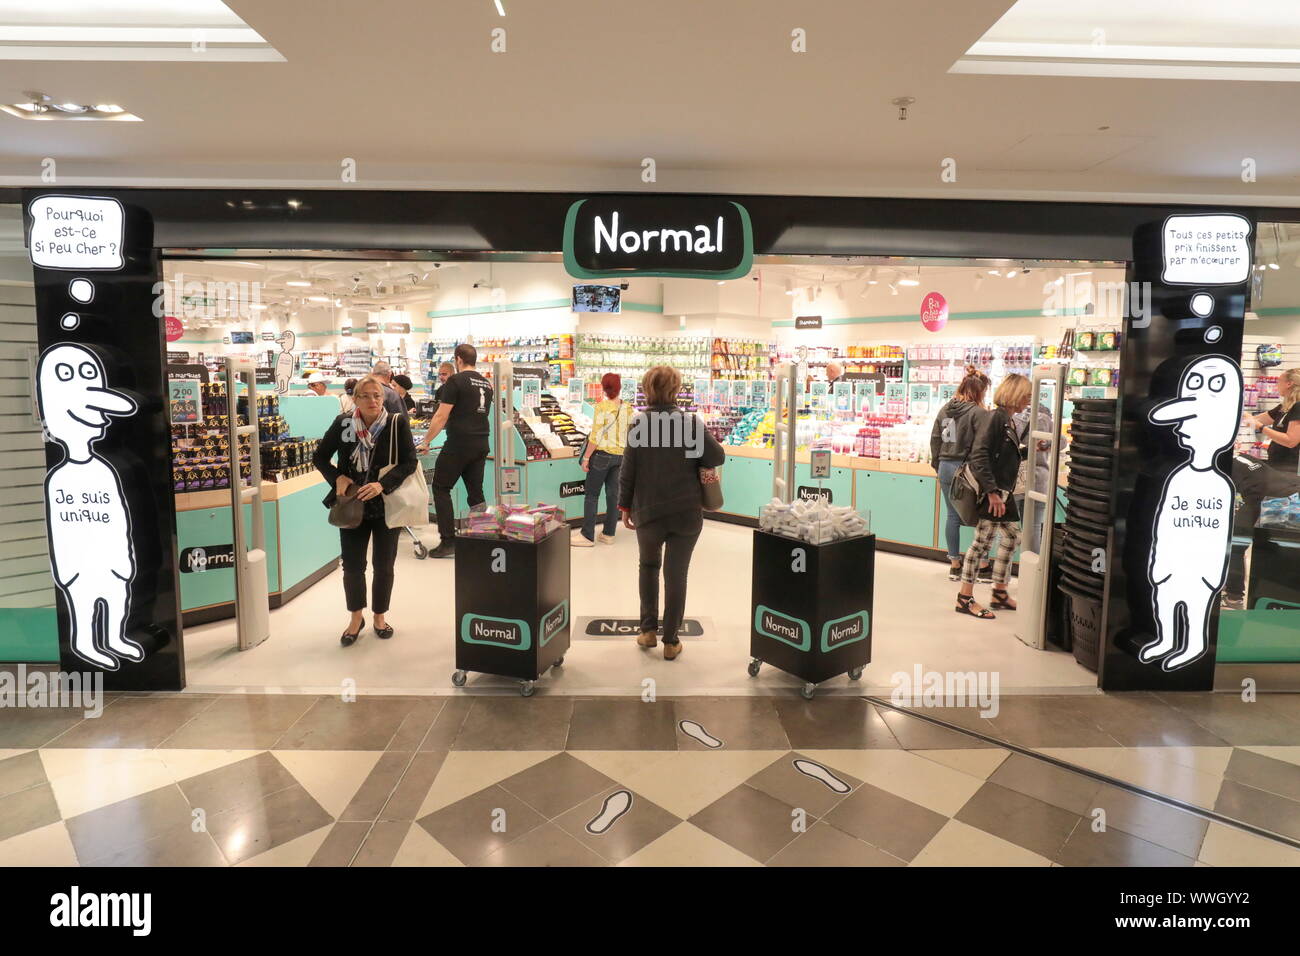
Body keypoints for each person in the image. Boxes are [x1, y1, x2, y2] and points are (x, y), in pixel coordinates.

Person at [618, 365, 726, 660]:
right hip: (685, 511)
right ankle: (671, 641)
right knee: (676, 575)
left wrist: (624, 507)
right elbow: (717, 456)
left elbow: (628, 471)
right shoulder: (689, 423)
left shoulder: (639, 424)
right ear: (676, 390)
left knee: (648, 567)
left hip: (648, 511)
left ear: (646, 389)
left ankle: (647, 631)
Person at [313, 375, 418, 646]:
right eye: (366, 396)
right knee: (353, 566)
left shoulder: (396, 423)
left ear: (384, 398)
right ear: (355, 399)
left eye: (377, 396)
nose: (372, 400)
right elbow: (320, 456)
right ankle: (355, 617)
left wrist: (382, 485)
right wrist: (336, 477)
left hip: (386, 505)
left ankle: (379, 617)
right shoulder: (344, 423)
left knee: (384, 566)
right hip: (352, 504)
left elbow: (409, 462)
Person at [955, 373, 1031, 620]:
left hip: (1003, 493)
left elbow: (1005, 455)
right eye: (1027, 396)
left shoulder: (1007, 420)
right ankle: (964, 599)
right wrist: (991, 493)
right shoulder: (996, 418)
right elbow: (980, 456)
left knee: (1012, 536)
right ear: (1015, 395)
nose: (1029, 400)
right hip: (993, 494)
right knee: (982, 544)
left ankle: (999, 590)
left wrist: (1032, 449)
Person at [421, 344, 492, 558]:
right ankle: (482, 537)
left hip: (459, 443)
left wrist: (426, 440)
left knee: (442, 489)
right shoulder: (487, 383)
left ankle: (448, 541)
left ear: (458, 359)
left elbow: (441, 416)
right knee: (476, 493)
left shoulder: (456, 381)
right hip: (481, 443)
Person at [930, 366, 991, 580]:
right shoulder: (979, 413)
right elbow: (983, 446)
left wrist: (937, 463)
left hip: (946, 467)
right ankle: (982, 564)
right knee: (982, 516)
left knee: (952, 515)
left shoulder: (945, 408)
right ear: (980, 391)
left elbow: (935, 438)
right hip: (969, 470)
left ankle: (954, 563)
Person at [1223, 450, 1300, 609]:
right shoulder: (1241, 456)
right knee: (1269, 548)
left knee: (1233, 545)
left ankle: (1234, 597)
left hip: (1267, 499)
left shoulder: (1218, 467)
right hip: (1292, 489)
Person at [574, 372, 632, 547]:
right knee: (613, 496)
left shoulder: (602, 407)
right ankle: (608, 534)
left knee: (591, 495)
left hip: (602, 456)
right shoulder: (628, 408)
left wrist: (586, 457)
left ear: (604, 389)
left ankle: (587, 535)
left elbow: (595, 436)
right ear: (619, 387)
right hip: (620, 457)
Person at [1248, 367, 1300, 474]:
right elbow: (1258, 419)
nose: (1276, 385)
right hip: (1277, 464)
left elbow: (1290, 441)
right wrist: (1243, 417)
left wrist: (1261, 427)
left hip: (1291, 469)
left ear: (1289, 384)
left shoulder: (1298, 407)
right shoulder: (1284, 406)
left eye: (1279, 381)